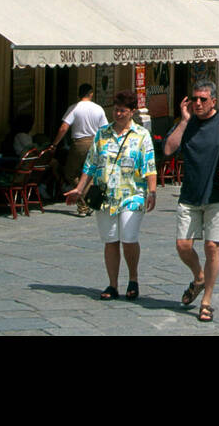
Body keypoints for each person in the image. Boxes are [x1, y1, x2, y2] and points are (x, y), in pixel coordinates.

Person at [163, 80, 219, 322]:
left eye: (203, 99)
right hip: (190, 195)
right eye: (194, 99)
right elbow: (169, 150)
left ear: (214, 100)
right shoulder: (188, 124)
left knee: (212, 247)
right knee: (183, 245)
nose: (198, 103)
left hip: (217, 195)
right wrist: (183, 120)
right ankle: (199, 277)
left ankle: (206, 300)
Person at [63, 92, 157, 300]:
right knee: (111, 240)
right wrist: (79, 188)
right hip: (105, 196)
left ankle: (133, 279)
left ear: (132, 111)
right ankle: (113, 285)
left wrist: (152, 192)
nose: (118, 113)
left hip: (132, 194)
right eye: (116, 109)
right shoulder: (102, 134)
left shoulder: (141, 135)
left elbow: (149, 165)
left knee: (129, 237)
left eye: (123, 110)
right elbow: (90, 164)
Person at [51, 84, 107, 216]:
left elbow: (64, 128)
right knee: (89, 173)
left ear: (79, 94)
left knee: (70, 172)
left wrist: (54, 144)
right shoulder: (98, 109)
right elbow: (104, 129)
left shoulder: (74, 108)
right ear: (91, 94)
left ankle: (83, 203)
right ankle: (87, 202)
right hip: (95, 142)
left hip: (79, 143)